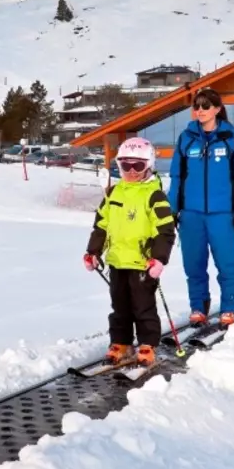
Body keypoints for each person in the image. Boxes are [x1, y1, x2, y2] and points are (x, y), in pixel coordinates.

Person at [83, 137, 176, 367]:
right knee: (120, 306)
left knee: (143, 307)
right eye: (126, 165)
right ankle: (121, 342)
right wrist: (93, 252)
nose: (132, 171)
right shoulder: (113, 193)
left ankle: (147, 344)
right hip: (117, 261)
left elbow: (165, 231)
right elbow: (101, 226)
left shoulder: (154, 196)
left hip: (143, 263)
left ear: (149, 165)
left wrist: (159, 259)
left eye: (138, 165)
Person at [167, 86, 234, 326]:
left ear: (217, 109)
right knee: (193, 263)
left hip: (222, 214)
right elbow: (177, 177)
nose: (200, 110)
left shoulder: (230, 137)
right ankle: (198, 306)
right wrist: (173, 209)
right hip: (191, 214)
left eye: (205, 106)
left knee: (226, 263)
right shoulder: (186, 138)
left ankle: (230, 307)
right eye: (197, 106)